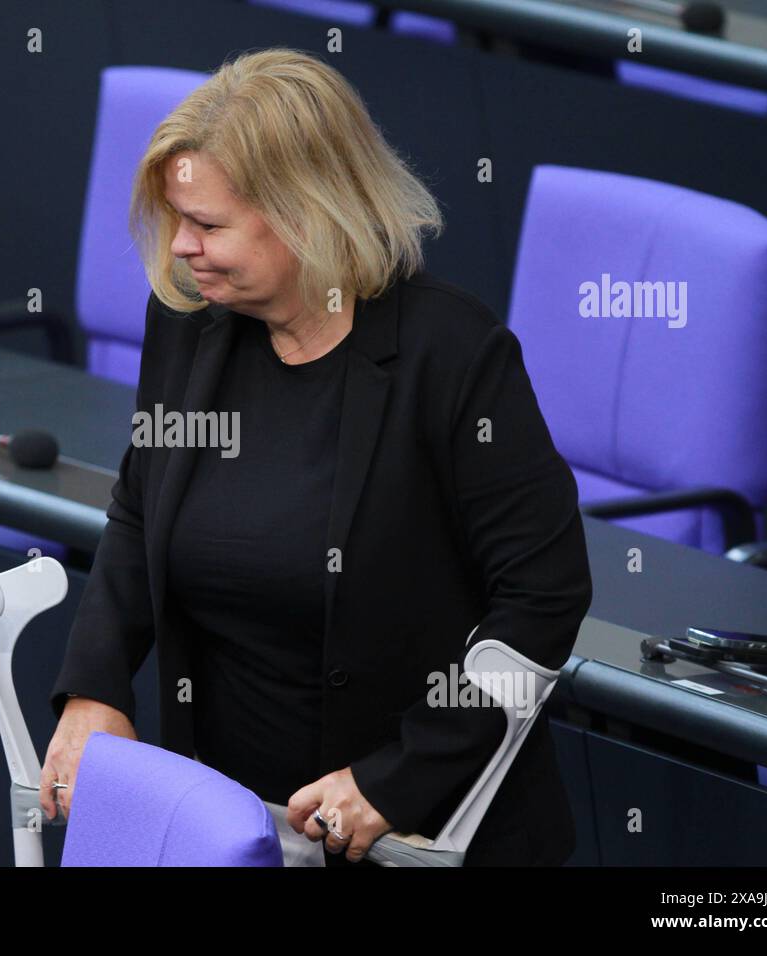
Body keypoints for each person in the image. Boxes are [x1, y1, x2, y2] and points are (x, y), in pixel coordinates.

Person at [40, 47, 592, 867]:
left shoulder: (452, 354)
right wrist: (93, 688)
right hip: (231, 828)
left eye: (209, 225)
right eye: (176, 221)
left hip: (422, 837)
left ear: (308, 211)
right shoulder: (193, 328)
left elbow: (543, 600)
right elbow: (139, 507)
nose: (183, 248)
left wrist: (396, 780)